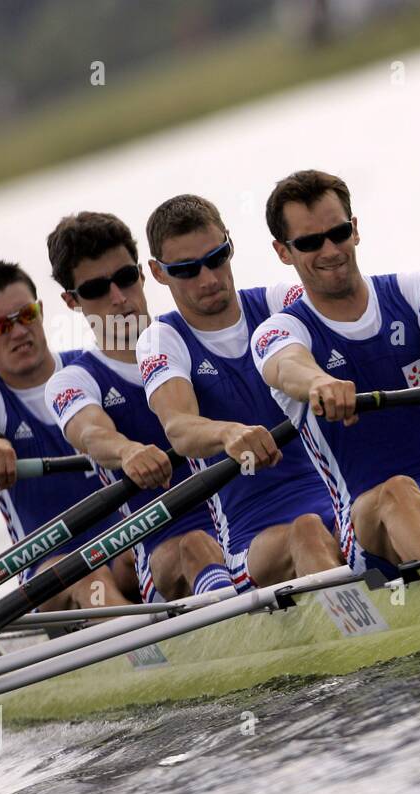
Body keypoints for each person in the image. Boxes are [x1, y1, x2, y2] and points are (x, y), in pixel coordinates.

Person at [250, 170, 420, 566]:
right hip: (367, 527)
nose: (330, 251)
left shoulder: (410, 288)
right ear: (283, 252)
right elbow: (288, 367)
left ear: (356, 230)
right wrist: (321, 383)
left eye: (339, 233)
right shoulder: (280, 330)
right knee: (397, 491)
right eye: (311, 242)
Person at [135, 194, 343, 589]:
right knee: (307, 531)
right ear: (159, 273)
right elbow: (179, 428)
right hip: (255, 537)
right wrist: (227, 433)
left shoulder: (282, 302)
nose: (209, 279)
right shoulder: (162, 341)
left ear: (230, 244)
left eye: (216, 258)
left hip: (341, 504)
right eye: (187, 270)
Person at [43, 211, 234, 601]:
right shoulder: (75, 380)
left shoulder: (193, 339)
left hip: (249, 524)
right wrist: (128, 451)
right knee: (195, 545)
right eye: (96, 289)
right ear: (70, 300)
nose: (118, 298)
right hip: (166, 550)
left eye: (125, 278)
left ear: (143, 274)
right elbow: (91, 433)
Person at [0, 259, 139, 609]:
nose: (19, 332)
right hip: (49, 574)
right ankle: (154, 656)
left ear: (40, 310)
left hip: (122, 547)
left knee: (158, 545)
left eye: (26, 315)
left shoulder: (86, 370)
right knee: (89, 577)